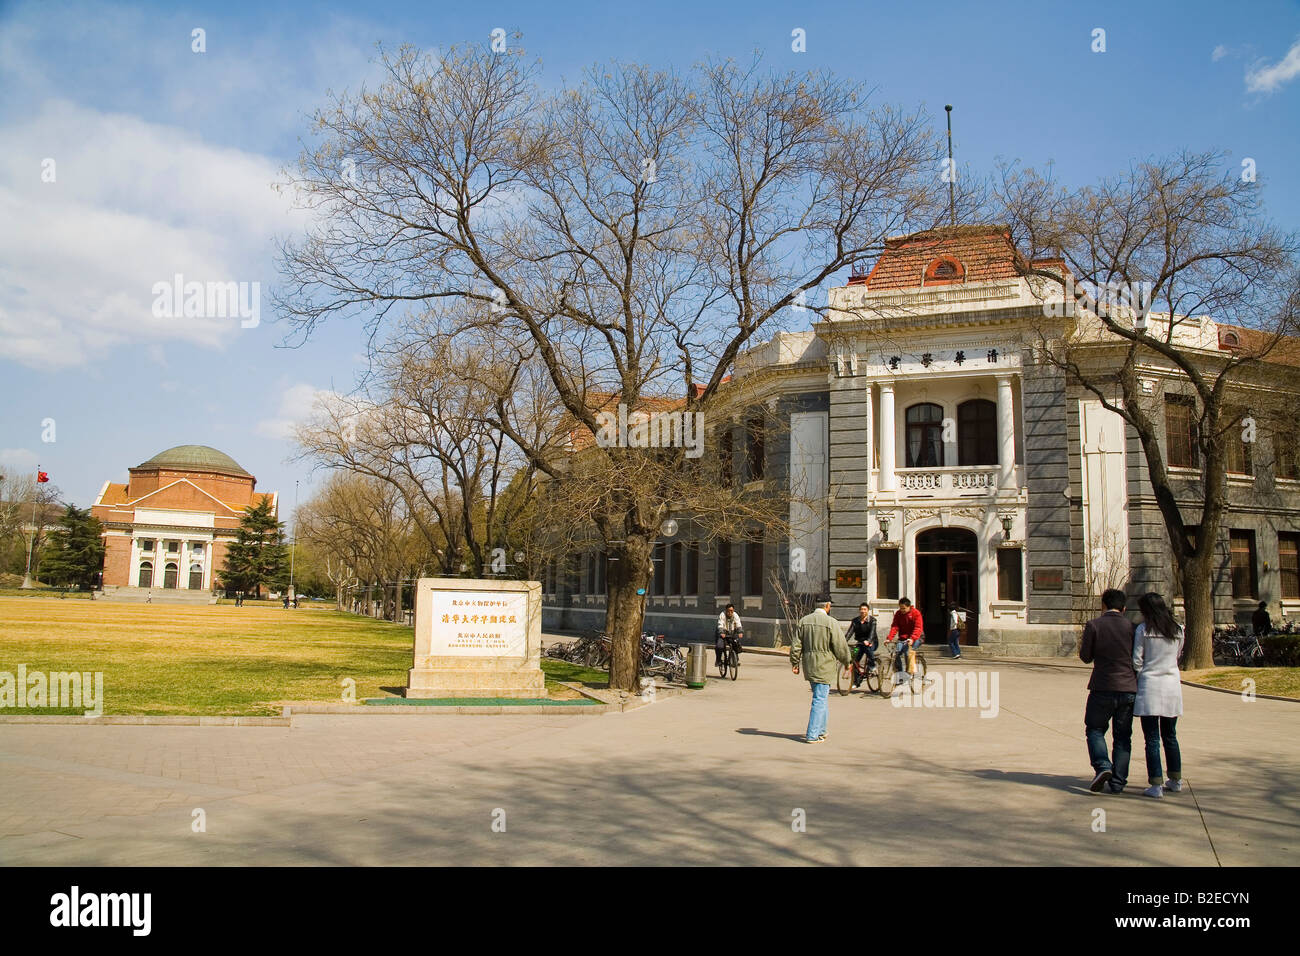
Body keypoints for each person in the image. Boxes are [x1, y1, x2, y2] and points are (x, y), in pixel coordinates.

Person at [1080, 588, 1137, 794]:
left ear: (1103, 605)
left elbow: (1085, 656)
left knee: (1094, 729)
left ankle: (1103, 766)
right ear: (1124, 607)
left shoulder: (1094, 625)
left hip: (1102, 686)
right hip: (1128, 687)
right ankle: (1118, 782)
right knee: (1123, 737)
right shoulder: (1133, 627)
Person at [1133, 592, 1186, 799]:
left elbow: (1137, 659)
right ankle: (1175, 779)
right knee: (1170, 736)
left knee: (1152, 738)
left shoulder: (1143, 630)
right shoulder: (1178, 630)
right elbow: (1178, 655)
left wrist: (1141, 674)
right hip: (1172, 685)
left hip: (1149, 685)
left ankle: (1155, 783)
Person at [791, 597, 851, 743]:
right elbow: (840, 645)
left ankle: (822, 731)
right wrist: (847, 661)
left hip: (809, 665)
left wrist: (795, 662)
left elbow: (796, 644)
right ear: (827, 606)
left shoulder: (804, 621)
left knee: (821, 698)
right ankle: (812, 734)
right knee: (819, 699)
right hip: (825, 666)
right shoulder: (831, 623)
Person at [886, 597, 924, 681]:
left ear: (909, 606)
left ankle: (909, 672)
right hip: (903, 638)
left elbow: (918, 628)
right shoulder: (898, 614)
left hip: (917, 637)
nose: (902, 610)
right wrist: (889, 638)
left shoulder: (916, 613)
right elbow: (895, 626)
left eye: (904, 608)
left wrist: (912, 638)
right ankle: (900, 674)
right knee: (895, 654)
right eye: (900, 608)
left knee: (908, 652)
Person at [845, 603, 877, 685]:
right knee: (854, 659)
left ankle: (872, 665)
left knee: (868, 649)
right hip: (860, 642)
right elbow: (850, 632)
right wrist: (844, 641)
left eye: (864, 609)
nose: (863, 611)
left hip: (872, 642)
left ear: (867, 611)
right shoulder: (855, 621)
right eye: (861, 609)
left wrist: (869, 641)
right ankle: (857, 681)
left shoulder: (872, 621)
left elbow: (872, 633)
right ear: (859, 610)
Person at [715, 603, 744, 670]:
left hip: (731, 633)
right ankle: (718, 660)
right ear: (726, 610)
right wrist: (722, 632)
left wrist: (740, 632)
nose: (730, 612)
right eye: (728, 611)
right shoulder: (722, 615)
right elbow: (720, 624)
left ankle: (735, 660)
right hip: (723, 634)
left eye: (731, 611)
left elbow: (738, 624)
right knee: (719, 646)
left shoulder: (735, 615)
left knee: (736, 644)